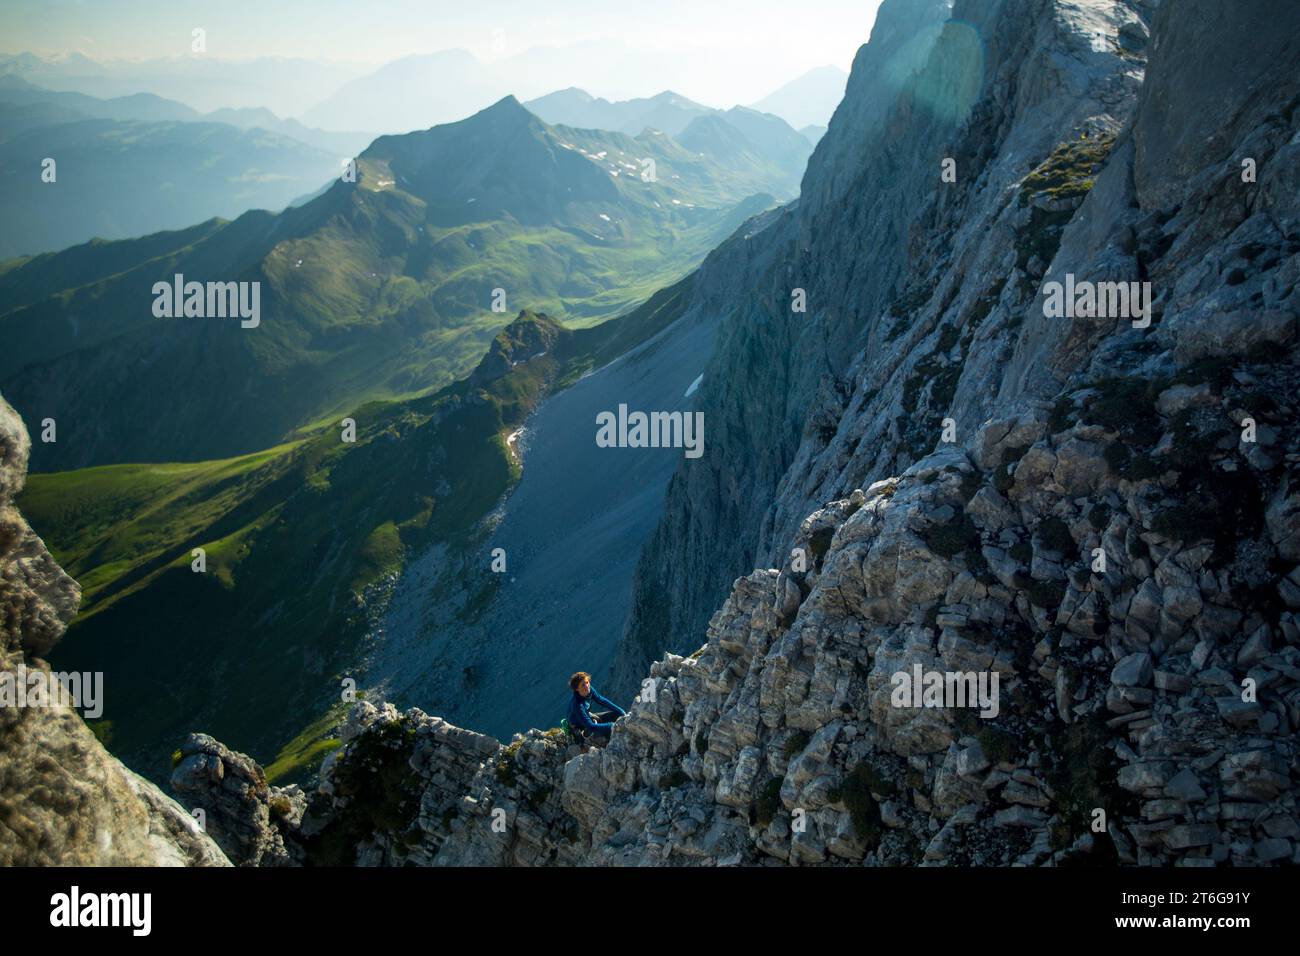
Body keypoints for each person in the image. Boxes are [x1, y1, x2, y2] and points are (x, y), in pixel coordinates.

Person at [566, 671, 625, 742]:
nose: (587, 686)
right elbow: (591, 726)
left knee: (617, 714)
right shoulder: (577, 705)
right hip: (580, 726)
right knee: (606, 734)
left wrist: (620, 711)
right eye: (582, 685)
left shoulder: (589, 690)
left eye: (587, 682)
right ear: (577, 689)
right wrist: (612, 726)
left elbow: (602, 701)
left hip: (587, 717)